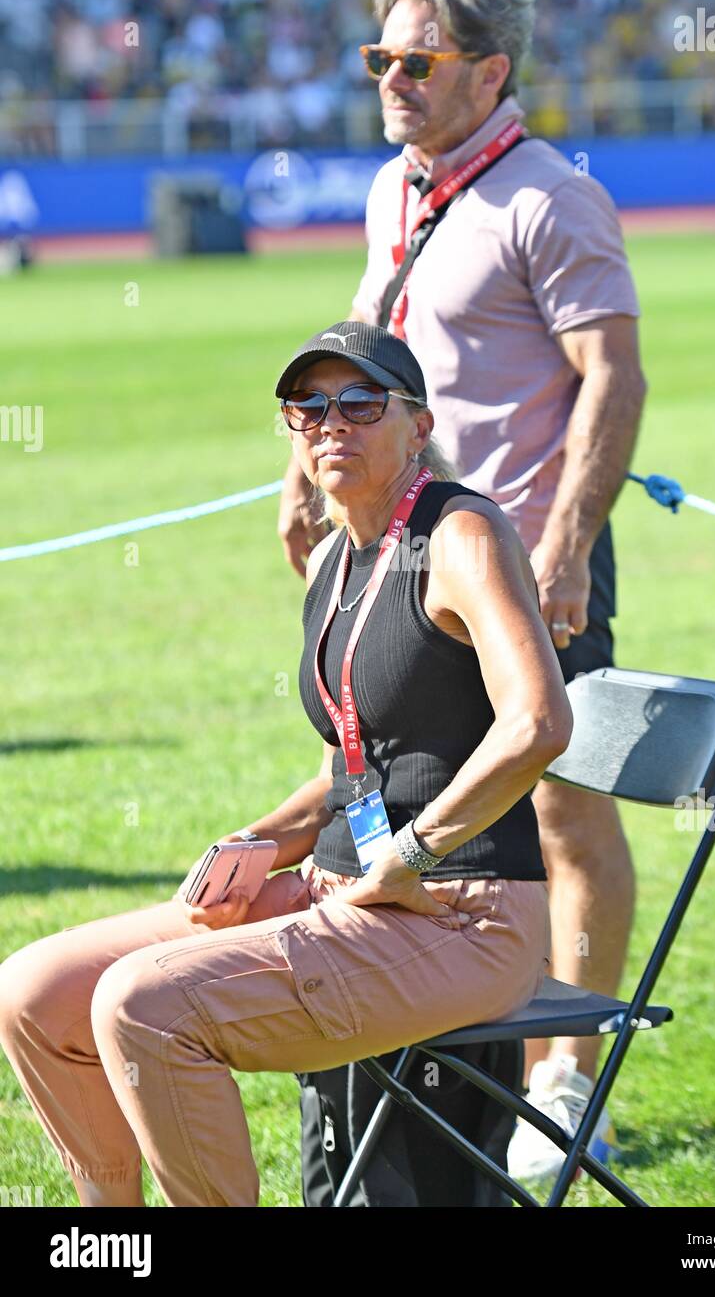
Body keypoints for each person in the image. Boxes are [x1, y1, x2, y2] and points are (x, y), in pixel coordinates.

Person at [0, 323, 573, 1208]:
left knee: (144, 1006)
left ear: (416, 426)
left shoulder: (462, 533)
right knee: (32, 994)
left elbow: (537, 722)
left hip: (461, 916)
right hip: (342, 891)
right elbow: (351, 767)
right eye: (307, 407)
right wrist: (262, 838)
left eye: (359, 402)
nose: (329, 423)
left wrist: (411, 851)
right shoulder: (336, 556)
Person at [277, 0, 647, 1182]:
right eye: (377, 56)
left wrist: (568, 542)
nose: (389, 77)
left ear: (488, 70)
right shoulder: (399, 186)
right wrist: (306, 483)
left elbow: (611, 374)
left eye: (414, 59)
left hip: (526, 558)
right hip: (406, 555)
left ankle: (564, 1077)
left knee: (558, 804)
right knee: (400, 774)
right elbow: (369, 344)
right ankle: (450, 1045)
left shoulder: (549, 198)